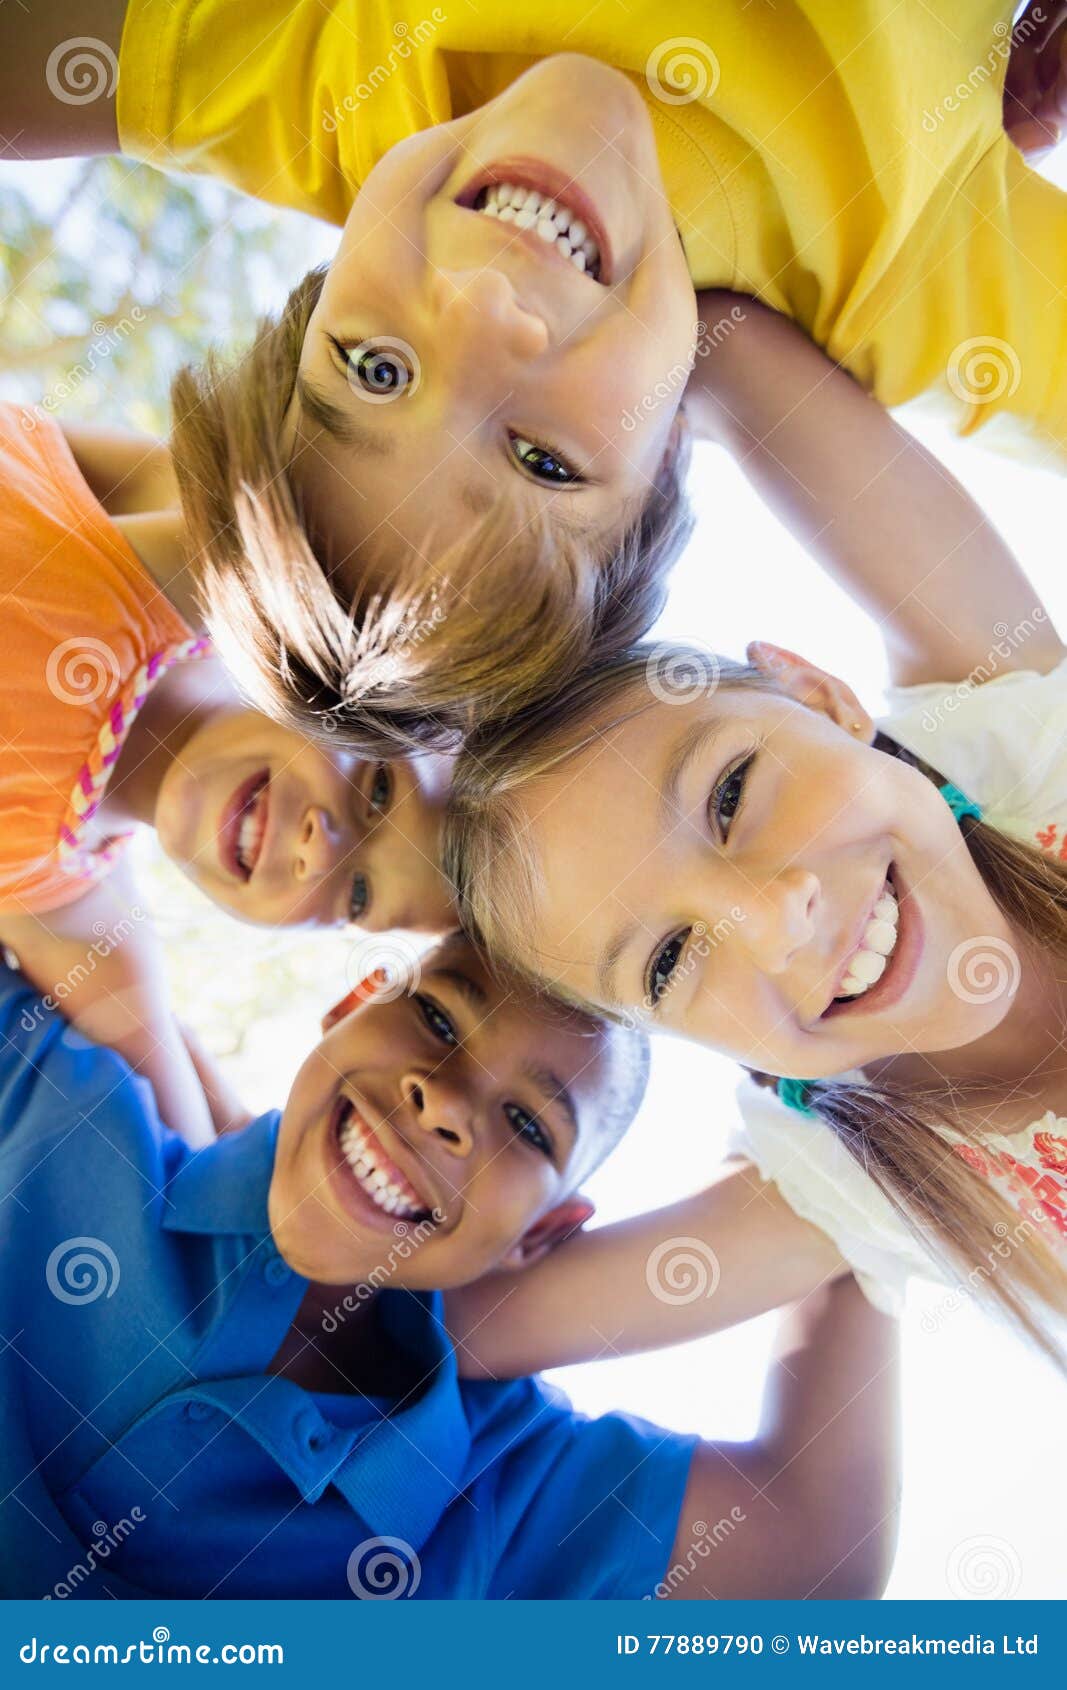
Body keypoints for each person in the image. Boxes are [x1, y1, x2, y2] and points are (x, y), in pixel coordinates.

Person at [3, 2, 1063, 748]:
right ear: (667, 455)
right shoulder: (898, 278)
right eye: (541, 461)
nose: (481, 312)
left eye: (373, 368)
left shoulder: (316, 68)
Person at [445, 300, 1067, 1364]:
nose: (777, 917)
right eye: (671, 957)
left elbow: (724, 352)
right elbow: (454, 1333)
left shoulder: (1018, 734)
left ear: (817, 697)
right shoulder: (843, 1180)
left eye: (730, 796)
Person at [0, 932, 898, 1599]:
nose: (444, 1103)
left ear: (543, 1236)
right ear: (351, 1003)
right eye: (435, 1016)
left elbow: (817, 1549)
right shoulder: (59, 1103)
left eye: (527, 1126)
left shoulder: (500, 1487)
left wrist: (864, 1134)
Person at [0, 402, 453, 1145]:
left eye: (359, 894)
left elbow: (168, 1104)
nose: (318, 846)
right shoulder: (182, 561)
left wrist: (246, 1137)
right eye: (377, 787)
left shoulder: (60, 890)